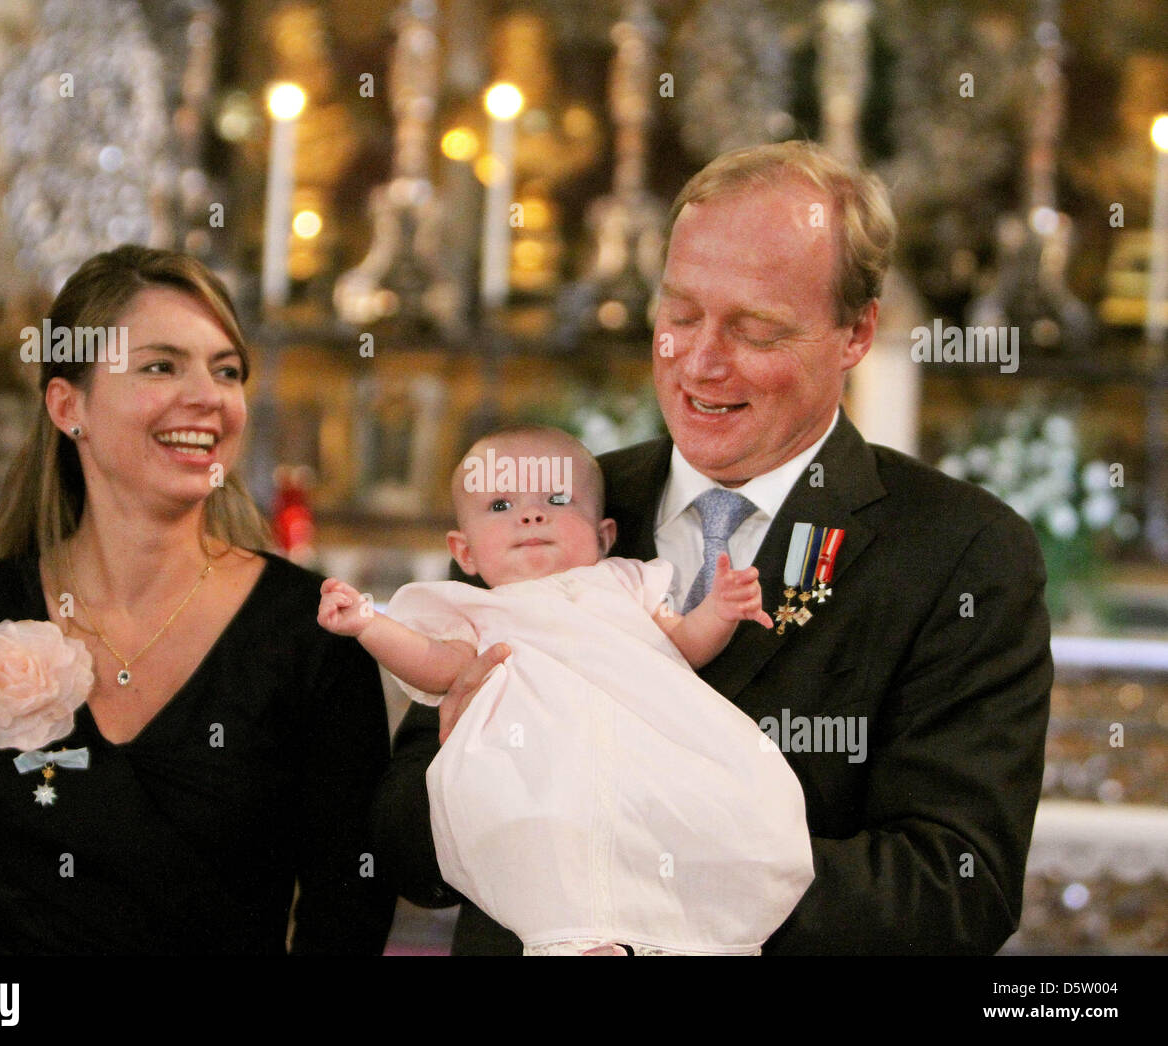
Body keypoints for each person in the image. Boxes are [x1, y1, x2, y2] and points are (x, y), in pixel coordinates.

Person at [371, 140, 1053, 955]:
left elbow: (953, 887)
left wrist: (652, 882)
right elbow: (407, 855)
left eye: (757, 330)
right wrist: (463, 749)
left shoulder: (960, 553)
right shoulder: (544, 506)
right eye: (682, 313)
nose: (699, 361)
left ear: (857, 332)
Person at [0, 245, 395, 954]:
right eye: (160, 365)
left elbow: (348, 912)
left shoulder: (311, 630)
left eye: (227, 370)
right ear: (68, 404)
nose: (208, 396)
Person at [319, 425, 814, 955]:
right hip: (536, 770)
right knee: (546, 839)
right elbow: (437, 666)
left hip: (647, 751)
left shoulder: (629, 581)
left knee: (710, 814)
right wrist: (369, 624)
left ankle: (707, 937)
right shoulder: (478, 610)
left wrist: (718, 610)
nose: (531, 516)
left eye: (557, 499)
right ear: (464, 552)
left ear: (603, 537)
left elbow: (683, 645)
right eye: (502, 504)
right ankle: (574, 940)